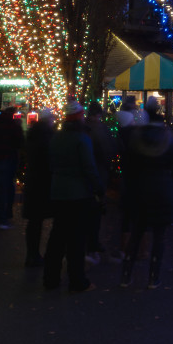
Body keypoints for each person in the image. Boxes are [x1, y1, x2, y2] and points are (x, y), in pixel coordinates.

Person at [120, 104, 173, 287]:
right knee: (159, 236)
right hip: (162, 191)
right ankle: (153, 277)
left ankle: (126, 274)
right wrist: (170, 183)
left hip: (139, 192)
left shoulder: (136, 139)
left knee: (137, 233)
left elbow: (128, 168)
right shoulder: (168, 140)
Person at [44, 103, 102, 293]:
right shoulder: (82, 139)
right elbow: (89, 168)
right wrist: (98, 188)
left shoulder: (56, 138)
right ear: (80, 117)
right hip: (78, 192)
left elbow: (50, 163)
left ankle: (51, 278)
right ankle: (77, 280)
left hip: (58, 191)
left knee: (57, 235)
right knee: (76, 238)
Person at [21, 107, 55, 266]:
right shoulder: (48, 136)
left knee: (34, 221)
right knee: (40, 219)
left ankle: (31, 254)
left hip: (33, 181)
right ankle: (38, 255)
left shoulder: (32, 134)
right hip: (44, 182)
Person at [83, 102, 114, 261]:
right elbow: (107, 151)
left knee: (86, 211)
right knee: (95, 211)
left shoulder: (83, 128)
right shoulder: (100, 129)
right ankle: (92, 244)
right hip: (98, 174)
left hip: (84, 178)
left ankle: (87, 244)